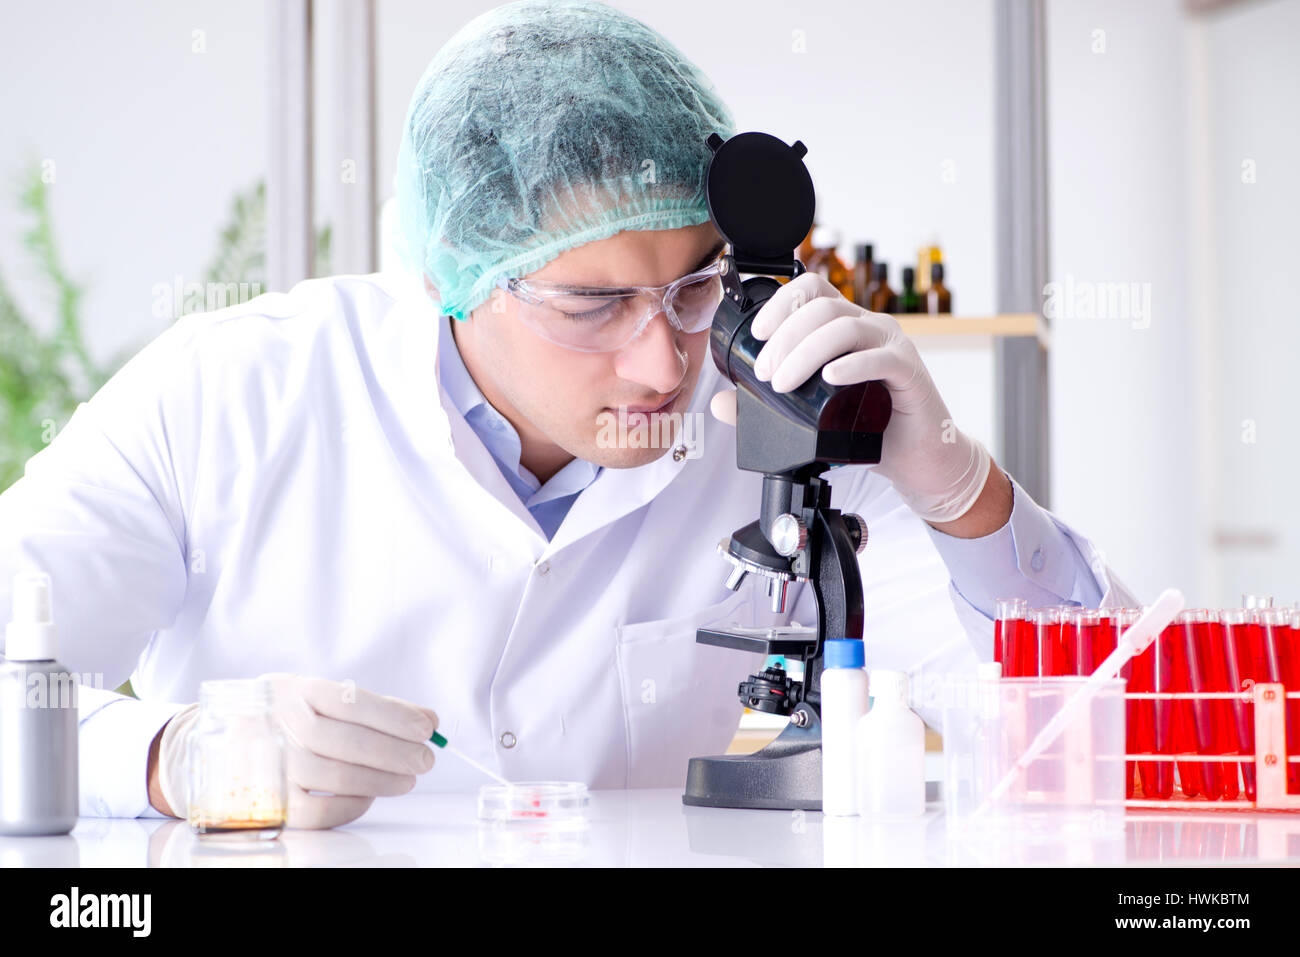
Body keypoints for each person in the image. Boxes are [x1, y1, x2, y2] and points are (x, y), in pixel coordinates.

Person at [0, 0, 1135, 830]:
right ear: (459, 272)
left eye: (695, 287)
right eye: (592, 303)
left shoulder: (775, 419)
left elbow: (1110, 732)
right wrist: (177, 758)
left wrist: (962, 493)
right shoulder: (229, 393)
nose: (663, 360)